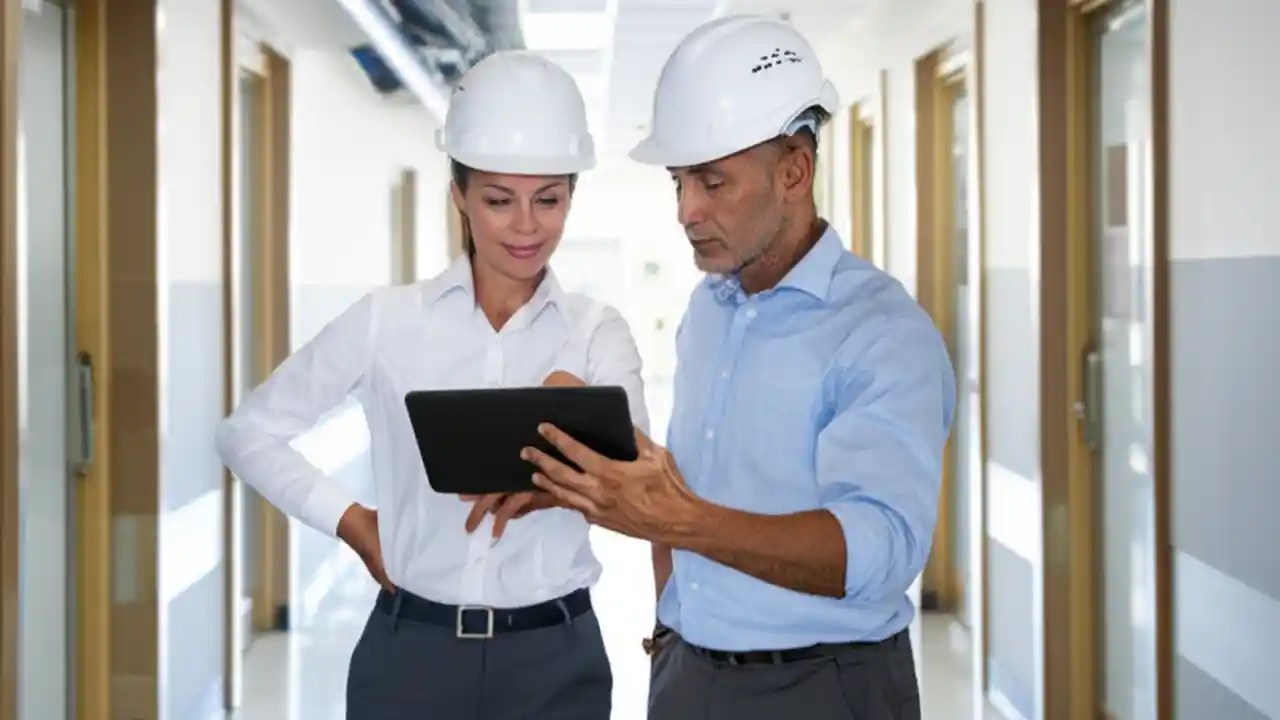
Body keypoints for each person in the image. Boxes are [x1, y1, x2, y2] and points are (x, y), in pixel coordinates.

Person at [521, 15, 955, 720]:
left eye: (713, 182)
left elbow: (881, 550)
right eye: (679, 182)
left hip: (824, 687)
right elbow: (688, 486)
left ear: (793, 171)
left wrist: (683, 521)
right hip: (688, 673)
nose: (688, 211)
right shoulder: (710, 309)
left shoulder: (881, 332)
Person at [215, 50, 648, 719]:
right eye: (499, 201)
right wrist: (352, 522)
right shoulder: (385, 324)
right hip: (411, 656)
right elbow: (248, 432)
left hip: (556, 659)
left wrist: (562, 412)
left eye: (549, 200)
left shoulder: (596, 332)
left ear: (572, 194)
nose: (527, 227)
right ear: (459, 196)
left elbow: (637, 465)